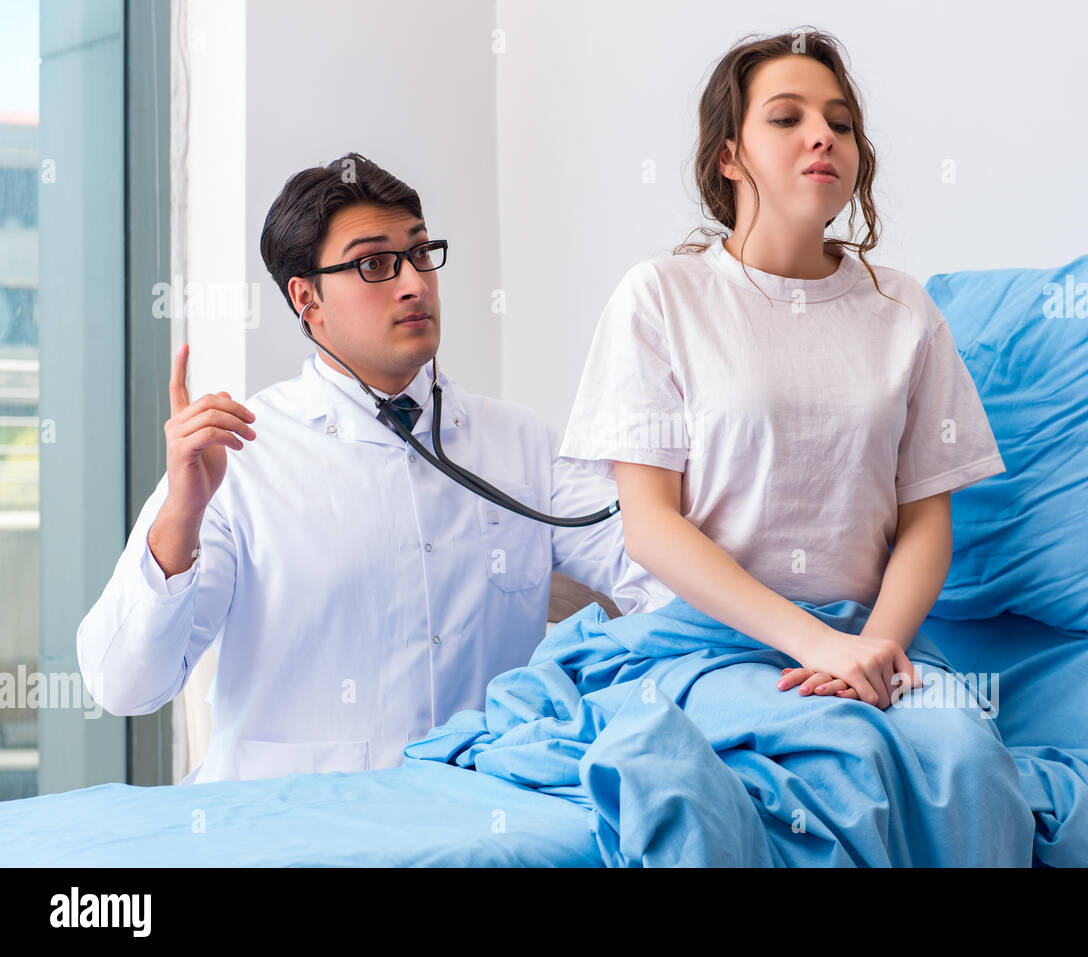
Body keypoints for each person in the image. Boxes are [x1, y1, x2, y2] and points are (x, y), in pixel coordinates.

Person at [77, 152, 672, 784]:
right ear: (307, 298)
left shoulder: (519, 440)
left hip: (475, 827)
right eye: (373, 264)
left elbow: (658, 565)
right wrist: (183, 511)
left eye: (420, 253)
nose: (414, 282)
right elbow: (125, 686)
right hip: (289, 833)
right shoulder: (240, 456)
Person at [557, 30, 1005, 709]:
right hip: (706, 640)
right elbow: (649, 525)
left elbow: (926, 520)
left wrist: (873, 651)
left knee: (962, 758)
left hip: (867, 639)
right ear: (730, 157)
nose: (822, 135)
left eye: (841, 122)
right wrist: (813, 644)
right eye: (787, 117)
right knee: (826, 752)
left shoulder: (905, 308)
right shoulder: (662, 295)